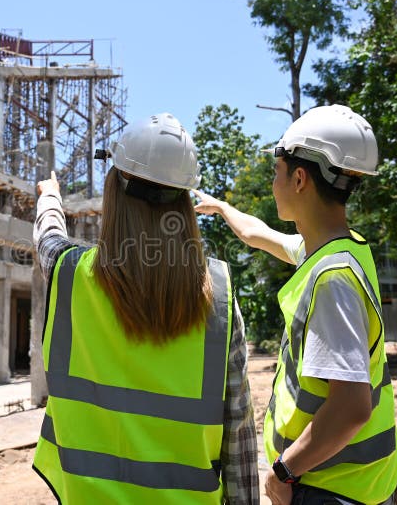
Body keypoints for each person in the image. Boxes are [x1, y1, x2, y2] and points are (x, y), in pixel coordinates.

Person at [32, 113, 260, 504]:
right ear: (185, 203)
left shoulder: (71, 274)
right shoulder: (218, 295)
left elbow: (48, 238)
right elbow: (239, 437)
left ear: (115, 191)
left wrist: (50, 196)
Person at [194, 105, 397, 505]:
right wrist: (221, 207)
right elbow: (260, 234)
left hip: (329, 487)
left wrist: (284, 471)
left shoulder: (332, 279)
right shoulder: (339, 248)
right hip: (346, 481)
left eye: (276, 173)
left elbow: (351, 406)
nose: (274, 184)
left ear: (300, 178)